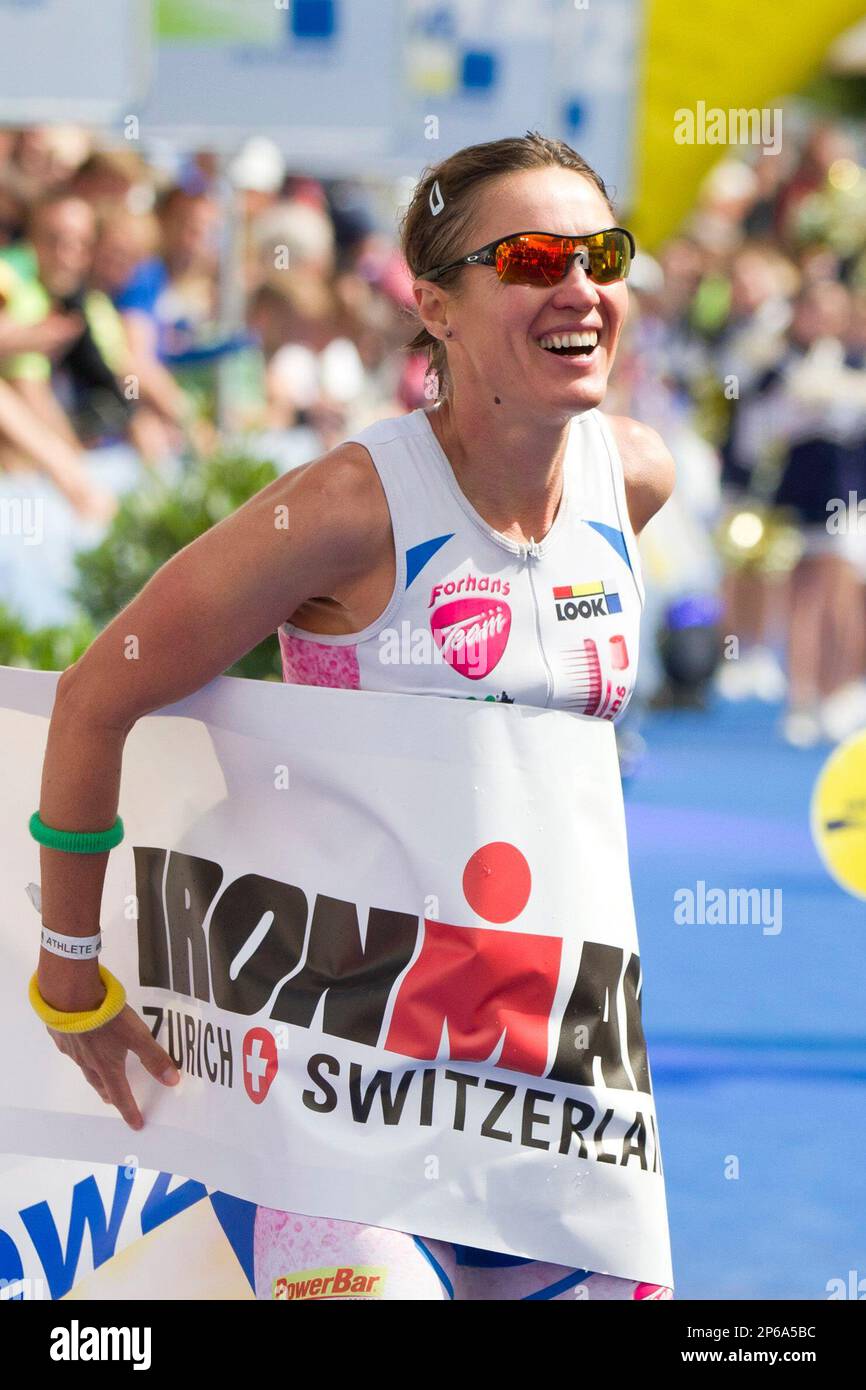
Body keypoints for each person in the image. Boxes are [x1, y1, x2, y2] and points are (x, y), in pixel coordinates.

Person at [29, 132, 675, 1300]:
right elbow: (96, 693)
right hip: (333, 1088)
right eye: (531, 259)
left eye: (602, 253)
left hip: (554, 1083)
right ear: (434, 304)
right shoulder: (344, 507)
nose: (578, 287)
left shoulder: (633, 476)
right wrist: (69, 965)